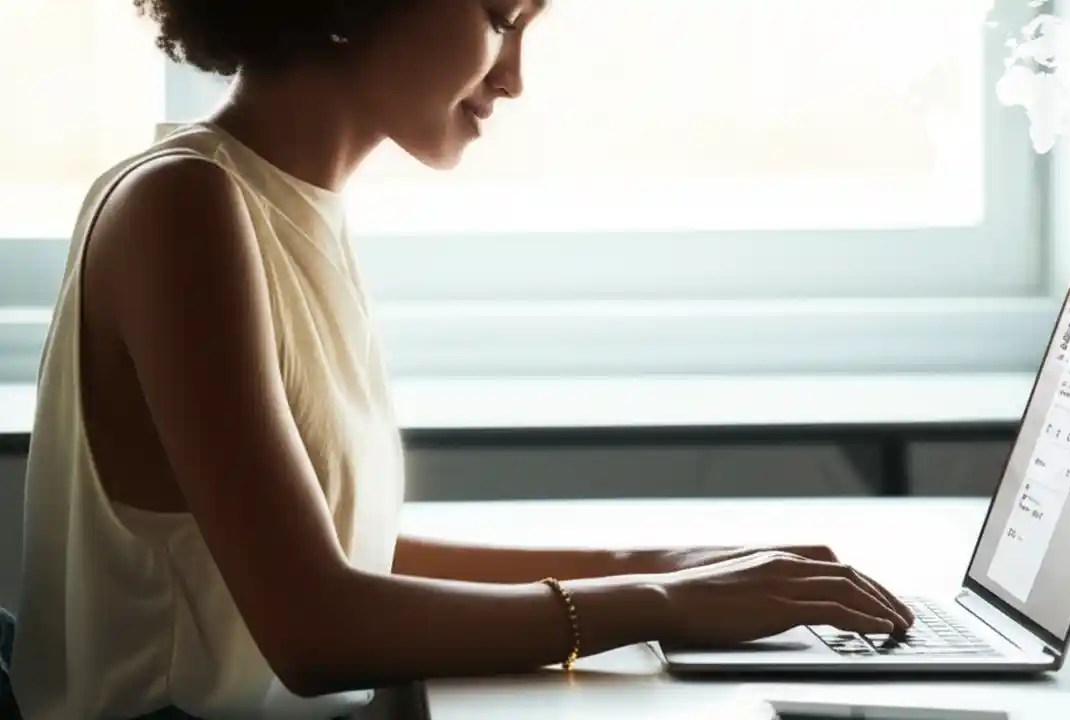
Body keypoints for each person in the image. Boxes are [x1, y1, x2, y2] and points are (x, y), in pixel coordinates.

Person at [8, 1, 915, 718]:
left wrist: (664, 558)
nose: (513, 79)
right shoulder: (186, 208)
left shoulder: (276, 203)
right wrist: (665, 601)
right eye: (498, 17)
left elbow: (324, 552)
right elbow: (315, 628)